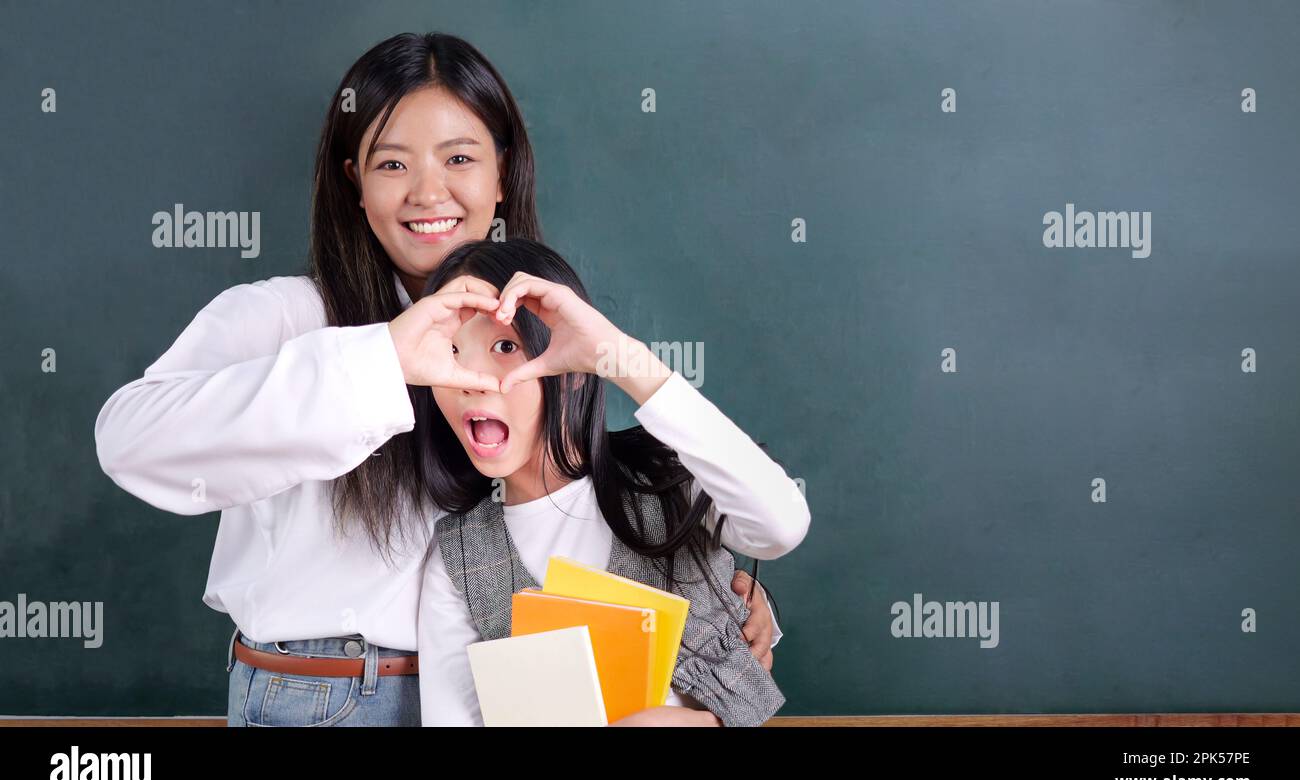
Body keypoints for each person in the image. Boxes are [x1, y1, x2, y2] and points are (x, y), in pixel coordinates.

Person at [93, 32, 781, 727]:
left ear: (502, 173)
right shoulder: (284, 315)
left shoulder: (545, 322)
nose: (428, 192)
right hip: (328, 691)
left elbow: (581, 510)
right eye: (392, 163)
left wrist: (713, 596)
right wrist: (384, 358)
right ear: (354, 184)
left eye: (459, 158)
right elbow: (128, 440)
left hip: (522, 695)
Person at [416, 238, 810, 726]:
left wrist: (618, 356)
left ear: (573, 369)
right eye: (450, 351)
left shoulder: (666, 480)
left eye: (504, 346)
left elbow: (782, 527)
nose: (469, 378)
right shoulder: (456, 560)